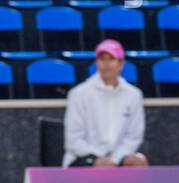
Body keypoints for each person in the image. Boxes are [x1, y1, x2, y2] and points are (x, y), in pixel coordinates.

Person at [62, 38, 149, 167]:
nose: (106, 64)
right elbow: (73, 140)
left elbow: (134, 137)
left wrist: (115, 159)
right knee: (101, 166)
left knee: (137, 162)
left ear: (121, 63)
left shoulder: (134, 95)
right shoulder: (79, 94)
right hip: (85, 157)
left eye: (111, 59)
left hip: (118, 157)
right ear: (96, 62)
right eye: (102, 59)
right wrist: (99, 157)